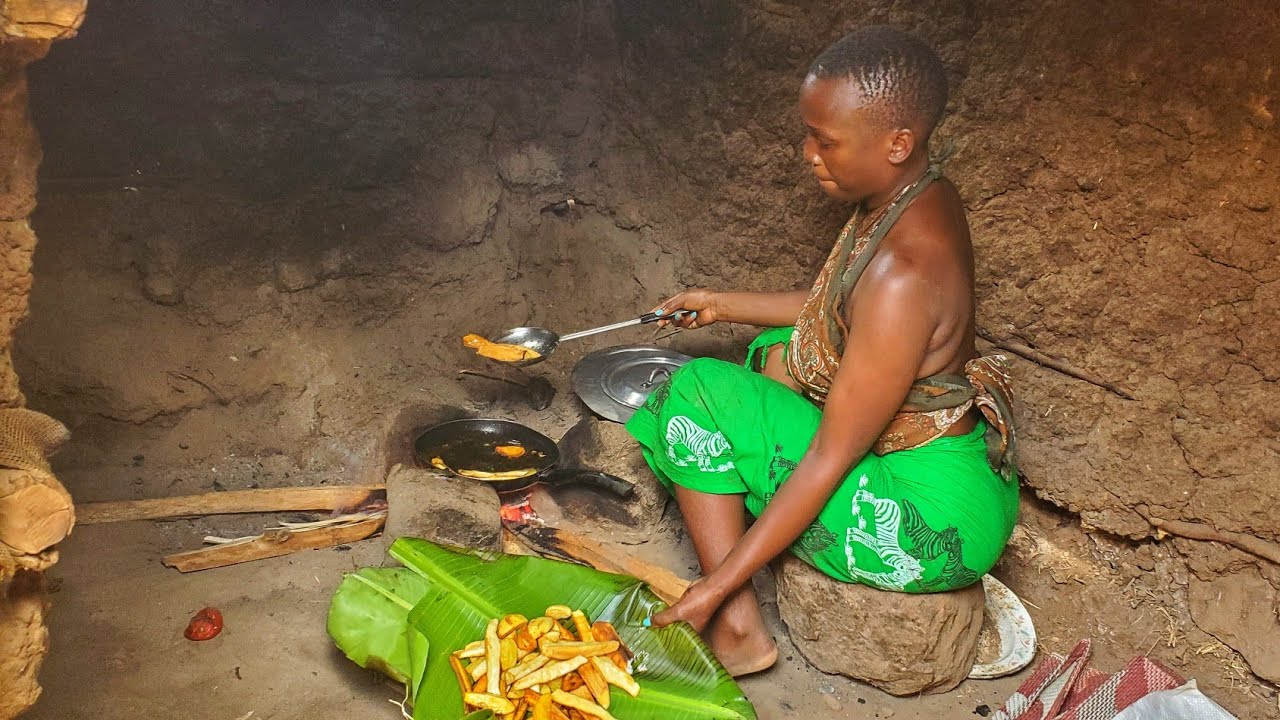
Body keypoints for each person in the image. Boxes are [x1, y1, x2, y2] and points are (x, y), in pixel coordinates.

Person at [625, 26, 1019, 677]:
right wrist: (720, 304)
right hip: (963, 468)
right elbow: (837, 310)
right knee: (776, 354)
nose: (808, 154)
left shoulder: (903, 277)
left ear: (897, 143)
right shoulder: (919, 193)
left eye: (825, 141)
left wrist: (713, 588)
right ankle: (750, 510)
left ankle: (739, 629)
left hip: (930, 526)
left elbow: (830, 455)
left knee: (694, 395)